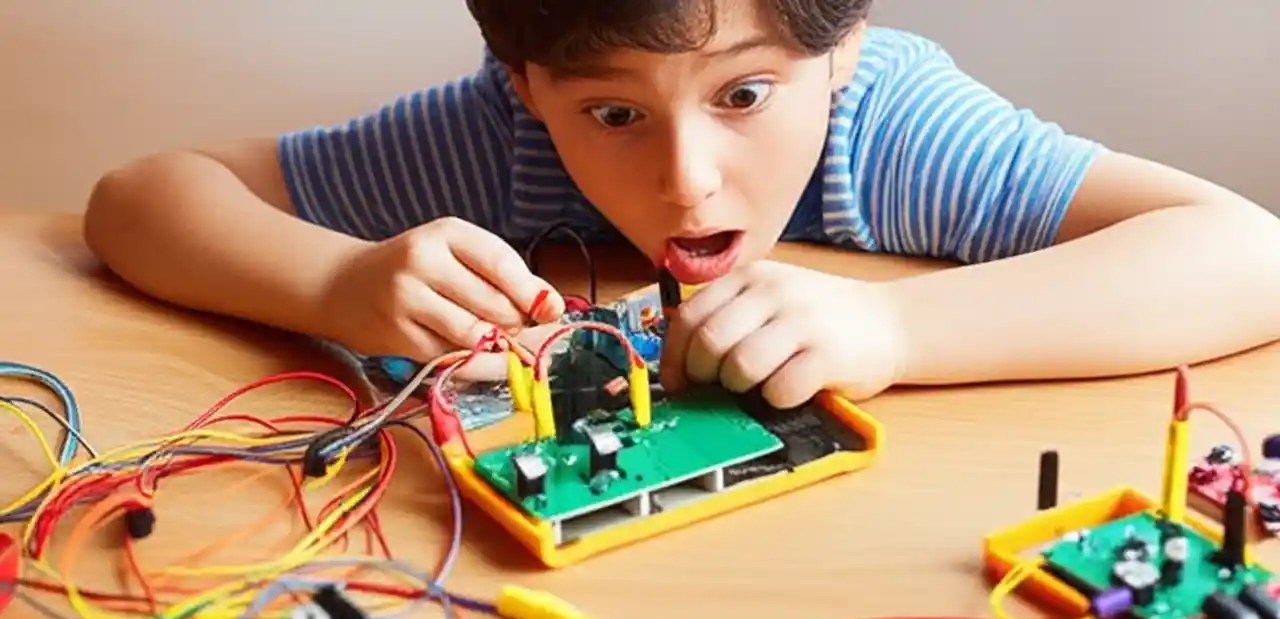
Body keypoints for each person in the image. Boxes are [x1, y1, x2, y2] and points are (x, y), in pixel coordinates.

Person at [83, 0, 1280, 409]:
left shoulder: (893, 129)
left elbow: (1247, 254)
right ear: (529, 86)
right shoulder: (500, 140)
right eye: (614, 114)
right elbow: (139, 199)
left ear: (841, 53)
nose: (687, 178)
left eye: (745, 94)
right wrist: (332, 284)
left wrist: (896, 331)